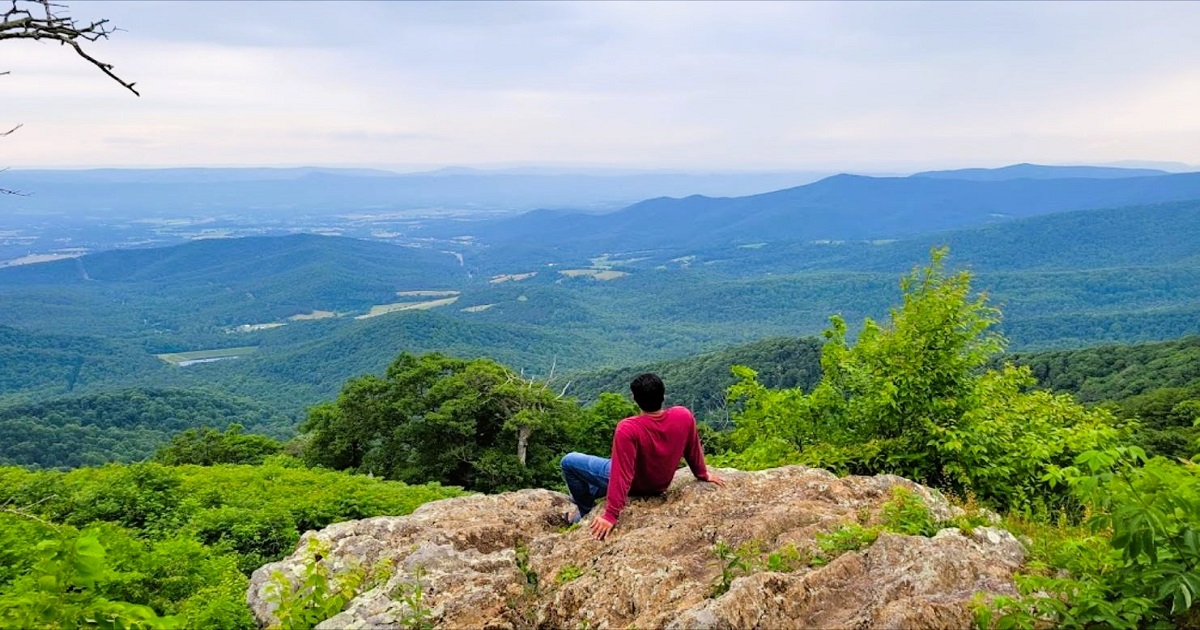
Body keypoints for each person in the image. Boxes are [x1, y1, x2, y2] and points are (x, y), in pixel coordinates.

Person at [560, 372, 725, 541]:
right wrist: (702, 474)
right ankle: (583, 498)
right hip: (659, 485)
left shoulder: (628, 428)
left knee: (569, 461)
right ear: (663, 395)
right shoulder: (683, 416)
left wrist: (610, 515)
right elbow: (692, 448)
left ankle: (585, 511)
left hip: (635, 485)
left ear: (634, 399)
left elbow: (621, 474)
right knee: (590, 483)